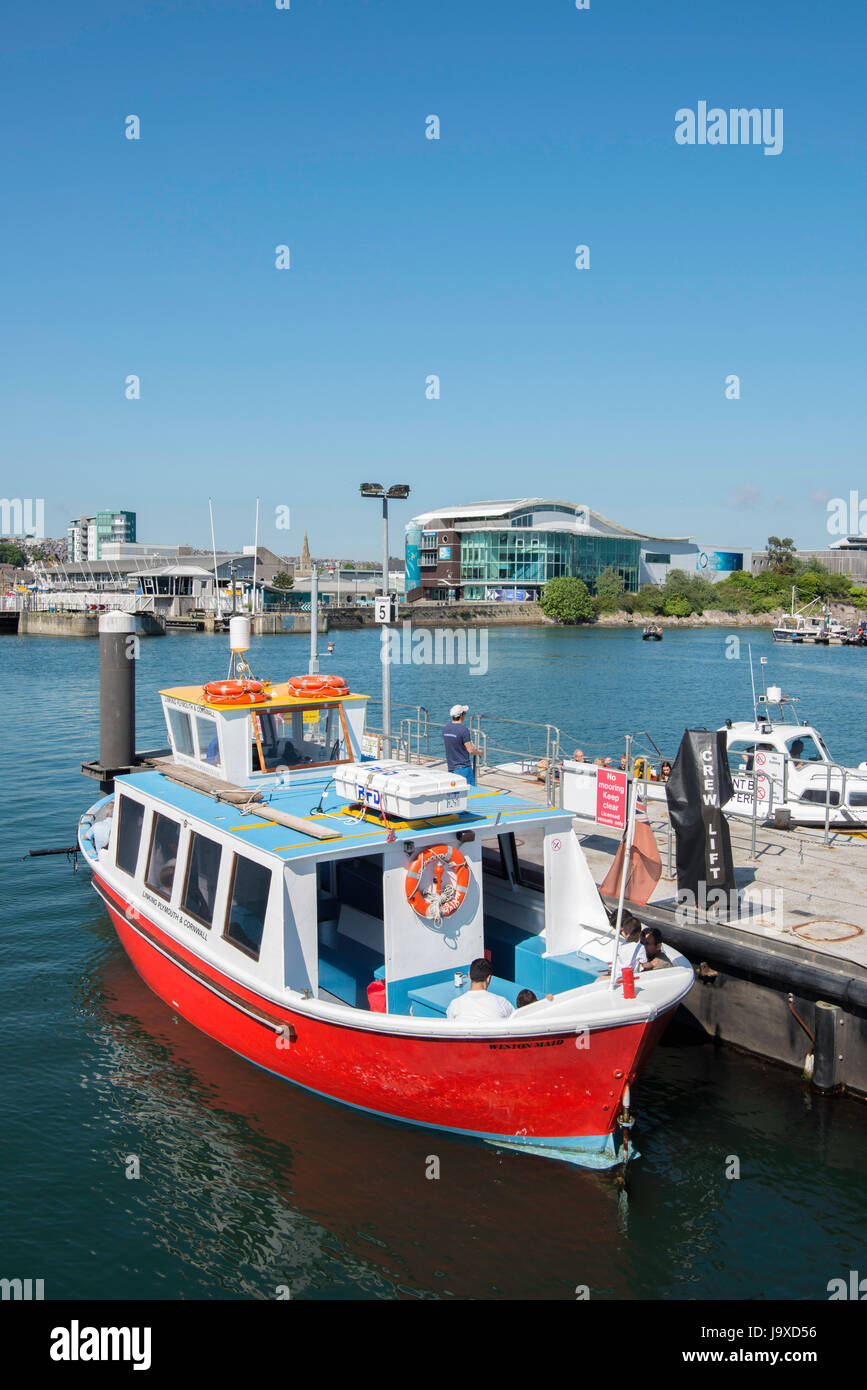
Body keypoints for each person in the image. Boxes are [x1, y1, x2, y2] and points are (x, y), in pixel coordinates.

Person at [446, 958, 513, 1020]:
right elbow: (516, 1019)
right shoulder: (501, 1002)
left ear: (469, 975)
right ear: (488, 978)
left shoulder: (455, 1004)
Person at [442, 704, 480, 786]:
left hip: (451, 767)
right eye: (465, 713)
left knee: (455, 794)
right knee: (469, 792)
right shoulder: (463, 730)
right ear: (461, 715)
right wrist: (479, 753)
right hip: (463, 768)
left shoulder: (445, 729)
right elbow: (470, 750)